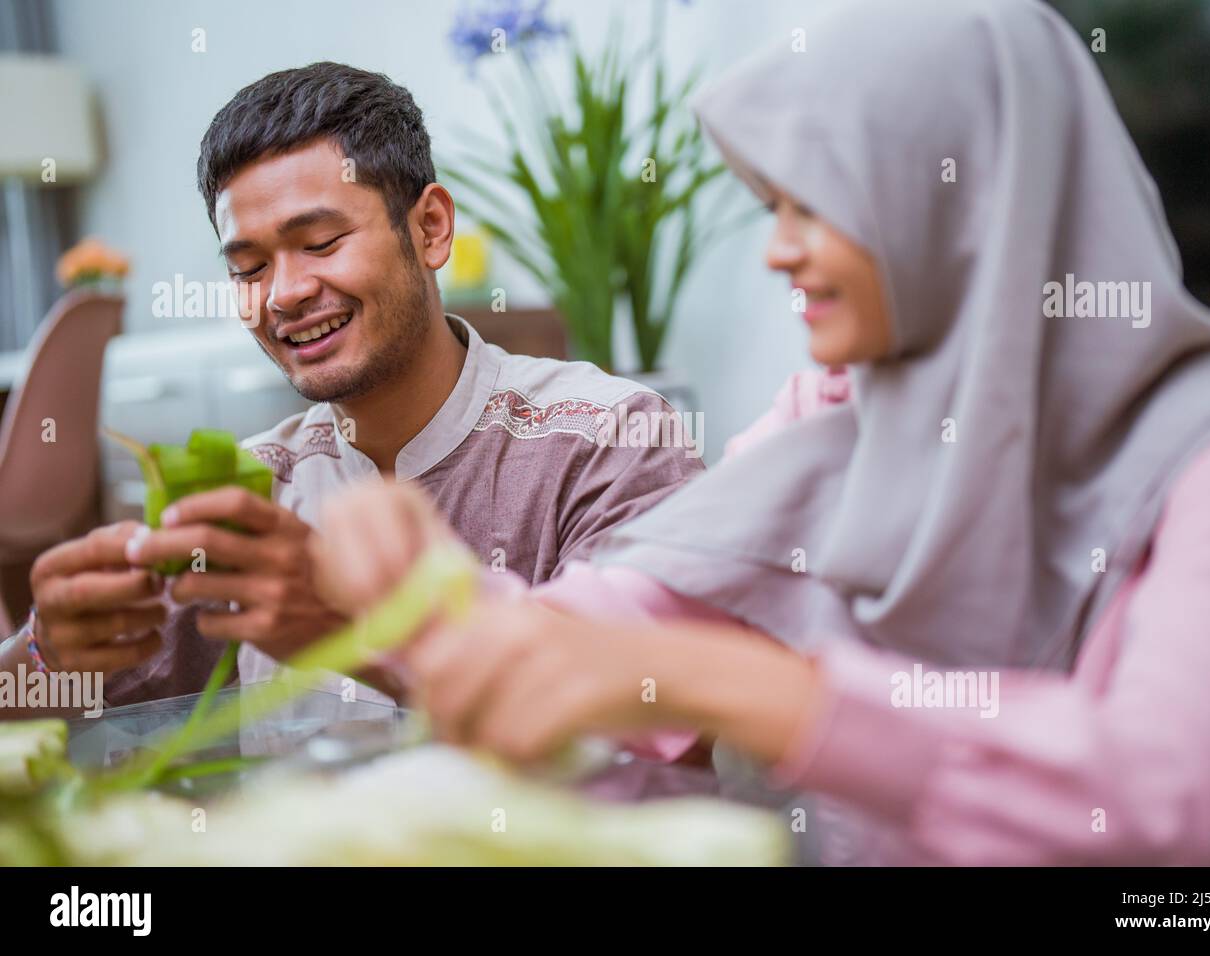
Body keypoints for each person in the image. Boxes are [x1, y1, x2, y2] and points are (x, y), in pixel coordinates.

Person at [310, 0, 1210, 865]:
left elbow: (1157, 793)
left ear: (960, 195)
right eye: (770, 207)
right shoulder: (827, 412)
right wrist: (410, 583)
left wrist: (770, 690)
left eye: (815, 205)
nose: (779, 250)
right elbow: (617, 627)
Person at [0, 63, 702, 714]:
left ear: (430, 227)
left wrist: (343, 623)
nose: (284, 294)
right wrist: (48, 649)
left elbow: (664, 709)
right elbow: (42, 701)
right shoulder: (255, 486)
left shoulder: (609, 439)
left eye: (321, 242)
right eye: (248, 268)